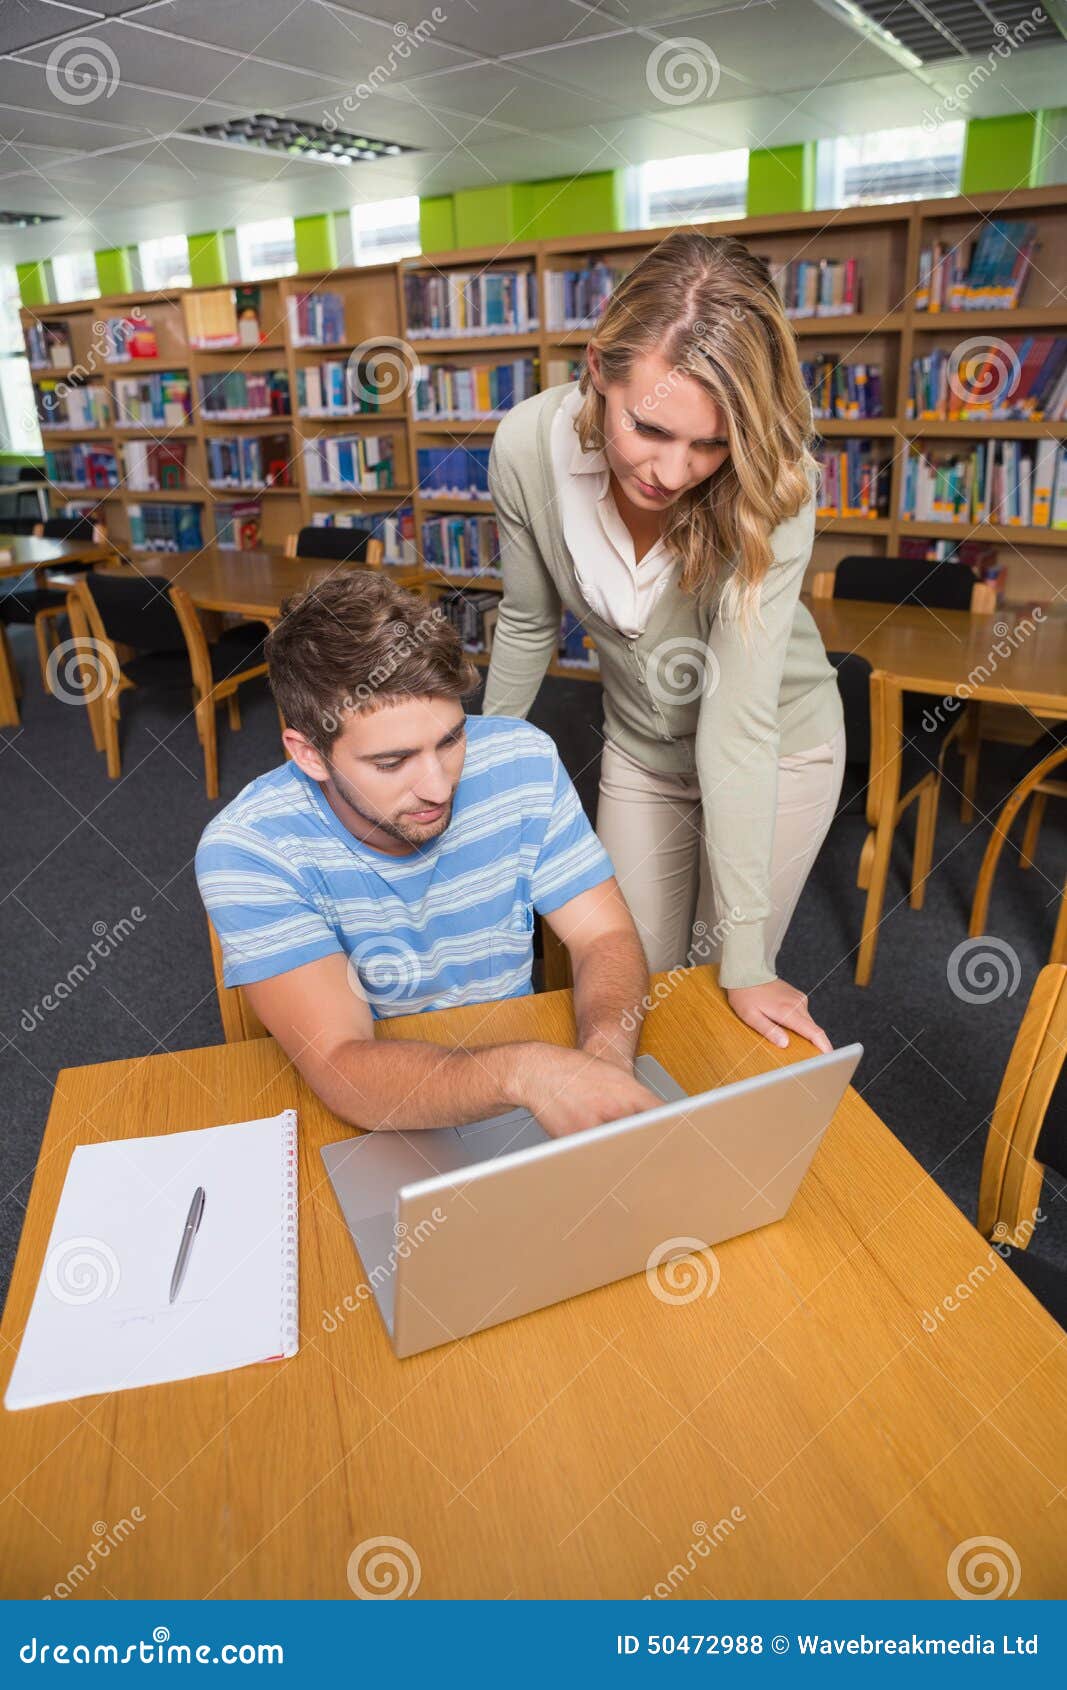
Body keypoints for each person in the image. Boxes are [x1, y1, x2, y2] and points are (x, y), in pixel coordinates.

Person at [483, 230, 845, 1056]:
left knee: (722, 986)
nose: (675, 471)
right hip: (643, 750)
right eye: (649, 427)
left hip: (775, 748)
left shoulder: (777, 480)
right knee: (624, 979)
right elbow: (531, 618)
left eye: (710, 443)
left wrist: (749, 958)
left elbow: (739, 720)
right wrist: (481, 762)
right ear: (598, 366)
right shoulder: (524, 448)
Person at [195, 573, 661, 1138]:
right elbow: (342, 1063)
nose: (439, 787)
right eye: (392, 763)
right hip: (382, 1106)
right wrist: (521, 1071)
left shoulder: (522, 758)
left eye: (451, 740)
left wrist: (604, 1062)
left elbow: (603, 938)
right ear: (310, 755)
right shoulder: (248, 849)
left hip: (527, 1071)